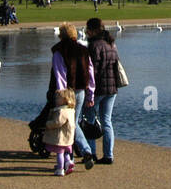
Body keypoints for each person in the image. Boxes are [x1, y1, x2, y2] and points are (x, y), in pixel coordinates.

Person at [49, 23, 96, 168]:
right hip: (81, 90)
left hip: (67, 91)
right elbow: (90, 73)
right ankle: (76, 155)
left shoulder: (59, 51)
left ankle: (78, 153)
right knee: (73, 122)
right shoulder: (83, 50)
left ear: (61, 35)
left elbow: (60, 74)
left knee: (69, 124)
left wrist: (60, 93)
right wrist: (91, 94)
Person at [84, 21, 121, 165]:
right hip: (112, 88)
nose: (86, 32)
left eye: (88, 29)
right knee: (107, 121)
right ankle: (108, 155)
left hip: (98, 88)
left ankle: (91, 152)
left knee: (90, 119)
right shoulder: (111, 44)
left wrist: (89, 92)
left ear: (93, 31)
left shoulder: (94, 46)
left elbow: (92, 71)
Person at [43, 88, 77, 176]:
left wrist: (48, 124)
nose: (56, 100)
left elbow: (57, 123)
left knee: (60, 153)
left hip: (61, 137)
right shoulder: (71, 110)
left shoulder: (62, 111)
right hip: (68, 137)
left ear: (65, 100)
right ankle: (68, 162)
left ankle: (60, 168)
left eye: (58, 99)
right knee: (66, 151)